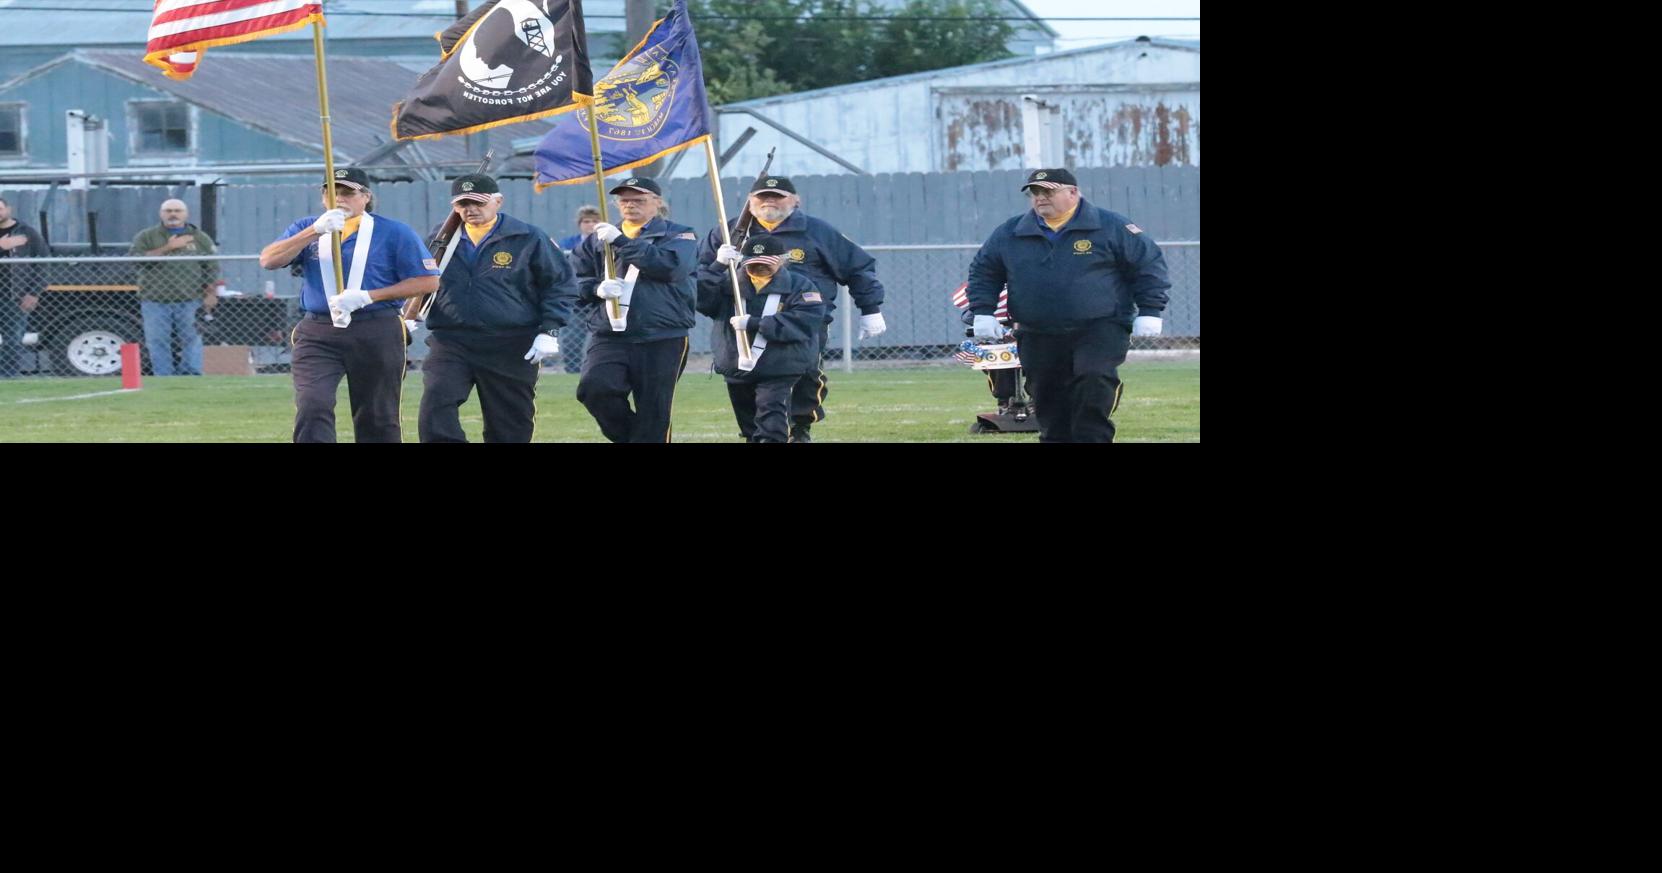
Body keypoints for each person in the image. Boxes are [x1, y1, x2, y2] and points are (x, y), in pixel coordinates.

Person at [965, 168, 1170, 443]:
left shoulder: (1110, 226)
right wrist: (982, 311)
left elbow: (1147, 266)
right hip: (1036, 329)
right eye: (1035, 193)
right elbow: (984, 271)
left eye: (1048, 191)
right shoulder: (1011, 232)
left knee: (1094, 377)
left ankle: (1093, 438)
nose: (1040, 198)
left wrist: (1150, 310)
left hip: (1100, 325)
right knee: (1045, 391)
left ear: (1073, 192)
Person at [696, 176, 886, 442]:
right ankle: (758, 433)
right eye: (762, 196)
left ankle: (798, 429)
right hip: (741, 326)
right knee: (745, 387)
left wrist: (870, 308)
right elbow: (698, 279)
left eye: (777, 196)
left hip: (802, 322)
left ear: (795, 201)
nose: (768, 201)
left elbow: (857, 267)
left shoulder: (817, 231)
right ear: (750, 202)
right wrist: (717, 264)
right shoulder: (727, 234)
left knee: (806, 378)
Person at [258, 167, 440, 443]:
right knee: (312, 404)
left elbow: (427, 281)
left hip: (377, 328)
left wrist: (370, 296)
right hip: (319, 331)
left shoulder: (393, 231)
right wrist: (314, 231)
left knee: (377, 415)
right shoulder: (307, 227)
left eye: (347, 193)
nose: (339, 199)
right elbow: (269, 260)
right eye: (331, 193)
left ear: (365, 196)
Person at [417, 173, 575, 443]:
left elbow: (560, 284)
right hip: (451, 340)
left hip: (511, 343)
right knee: (435, 405)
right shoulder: (438, 239)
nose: (471, 209)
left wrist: (550, 330)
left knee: (509, 422)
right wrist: (408, 312)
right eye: (463, 204)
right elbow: (418, 279)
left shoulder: (527, 237)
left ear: (498, 201)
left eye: (478, 202)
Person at [569, 176, 696, 443]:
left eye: (639, 199)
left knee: (654, 409)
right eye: (624, 200)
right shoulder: (596, 240)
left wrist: (623, 243)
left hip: (662, 334)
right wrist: (596, 289)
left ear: (657, 202)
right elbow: (575, 282)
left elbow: (671, 268)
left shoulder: (678, 234)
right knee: (594, 389)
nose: (630, 205)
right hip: (610, 333)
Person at [697, 234, 826, 442]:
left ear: (782, 260)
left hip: (780, 367)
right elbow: (700, 300)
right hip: (738, 367)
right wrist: (715, 268)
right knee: (749, 428)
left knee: (771, 423)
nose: (759, 267)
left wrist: (756, 324)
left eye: (766, 263)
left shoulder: (800, 285)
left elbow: (805, 321)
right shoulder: (729, 283)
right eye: (752, 263)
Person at [129, 199, 221, 376]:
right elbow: (136, 259)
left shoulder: (200, 238)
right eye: (168, 210)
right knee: (157, 341)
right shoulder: (147, 236)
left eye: (178, 211)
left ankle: (191, 375)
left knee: (192, 340)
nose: (173, 214)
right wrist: (168, 247)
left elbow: (211, 267)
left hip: (191, 300)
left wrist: (211, 294)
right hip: (154, 300)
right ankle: (164, 377)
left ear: (185, 214)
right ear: (161, 214)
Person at [0, 195, 47, 379]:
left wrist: (33, 293)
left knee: (13, 338)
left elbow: (43, 262)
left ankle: (8, 376)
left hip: (14, 295)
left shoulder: (26, 232)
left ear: (8, 209)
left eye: (0, 208)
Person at [555, 204, 600, 373]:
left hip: (601, 294)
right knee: (573, 334)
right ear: (580, 224)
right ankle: (572, 369)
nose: (590, 225)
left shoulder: (607, 241)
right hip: (577, 295)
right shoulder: (568, 243)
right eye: (586, 221)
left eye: (595, 221)